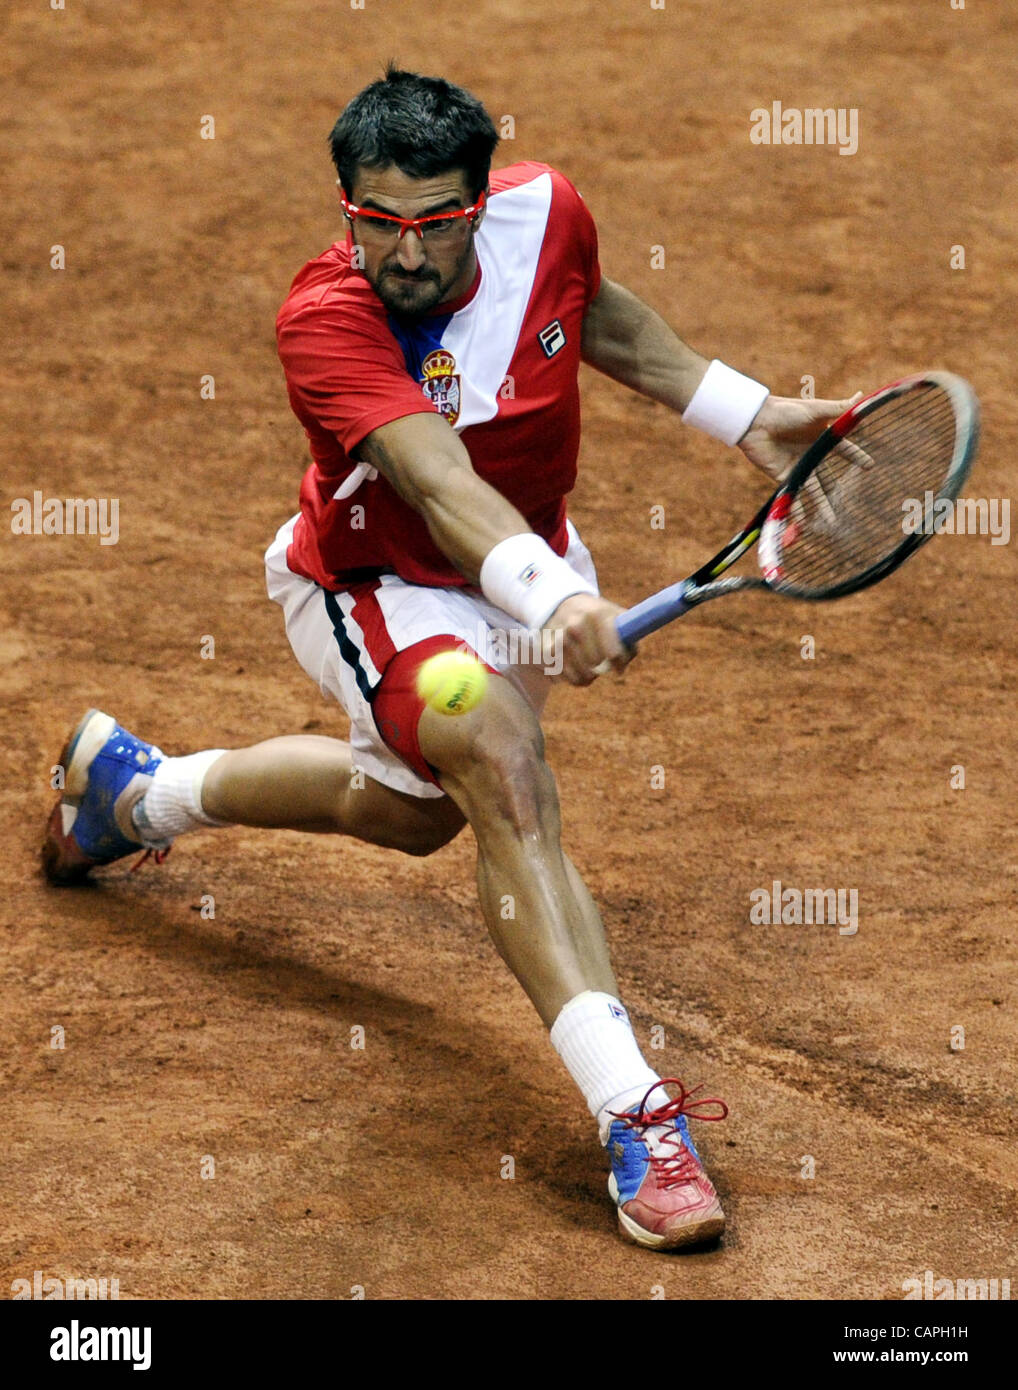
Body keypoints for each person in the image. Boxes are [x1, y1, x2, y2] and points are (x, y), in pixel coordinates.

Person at [43, 67, 858, 1250]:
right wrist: (556, 593)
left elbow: (589, 308)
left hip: (523, 574)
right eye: (377, 223)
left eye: (432, 224)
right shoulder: (326, 320)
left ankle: (138, 790)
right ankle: (638, 1115)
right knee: (501, 760)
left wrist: (739, 408)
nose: (405, 253)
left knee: (419, 813)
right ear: (347, 211)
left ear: (481, 201)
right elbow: (439, 480)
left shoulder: (549, 214)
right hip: (381, 589)